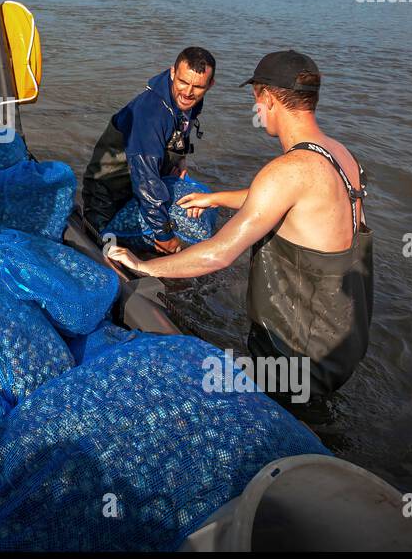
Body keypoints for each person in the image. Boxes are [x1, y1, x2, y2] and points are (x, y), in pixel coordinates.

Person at [106, 50, 372, 397]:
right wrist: (215, 198)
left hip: (296, 352)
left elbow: (218, 255)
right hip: (346, 339)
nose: (257, 112)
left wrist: (145, 265)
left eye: (256, 103)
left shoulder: (287, 171)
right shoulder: (338, 154)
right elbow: (297, 203)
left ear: (269, 98)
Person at [81, 47, 215, 253]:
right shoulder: (150, 114)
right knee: (107, 253)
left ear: (210, 85)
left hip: (143, 187)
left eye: (197, 86)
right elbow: (146, 181)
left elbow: (182, 127)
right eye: (183, 82)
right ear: (172, 73)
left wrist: (179, 159)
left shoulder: (189, 101)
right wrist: (165, 235)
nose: (188, 92)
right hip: (108, 197)